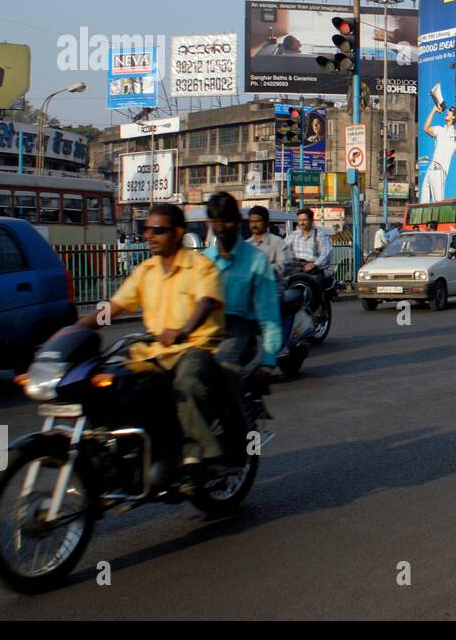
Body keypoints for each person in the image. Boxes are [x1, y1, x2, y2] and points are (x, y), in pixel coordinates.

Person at [75, 203, 229, 471]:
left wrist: (184, 331)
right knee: (106, 381)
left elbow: (205, 303)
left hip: (194, 348)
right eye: (146, 230)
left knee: (187, 383)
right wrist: (76, 329)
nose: (148, 236)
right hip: (151, 352)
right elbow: (113, 308)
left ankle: (201, 450)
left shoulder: (202, 267)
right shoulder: (146, 271)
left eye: (157, 230)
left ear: (178, 232)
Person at [204, 193, 282, 386]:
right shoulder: (203, 261)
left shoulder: (256, 260)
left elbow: (268, 314)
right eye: (215, 221)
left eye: (226, 221)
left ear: (238, 221)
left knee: (224, 369)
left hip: (239, 332)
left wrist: (268, 360)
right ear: (209, 223)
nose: (221, 228)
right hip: (205, 332)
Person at [284, 207, 333, 297]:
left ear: (311, 220)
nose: (301, 223)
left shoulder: (320, 235)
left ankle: (316, 308)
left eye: (305, 220)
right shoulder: (294, 235)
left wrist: (315, 264)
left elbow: (326, 252)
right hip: (295, 269)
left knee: (312, 291)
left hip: (313, 271)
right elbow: (283, 248)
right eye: (299, 220)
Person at [420, 104, 456, 203]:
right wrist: (433, 110)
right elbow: (426, 128)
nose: (447, 112)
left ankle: (441, 219)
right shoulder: (439, 129)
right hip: (431, 167)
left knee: (438, 202)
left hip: (440, 170)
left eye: (450, 111)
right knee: (423, 201)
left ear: (453, 117)